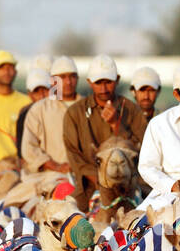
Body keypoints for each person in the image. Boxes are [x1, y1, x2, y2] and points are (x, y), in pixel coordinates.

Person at [63, 54, 147, 199]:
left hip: (129, 184)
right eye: (98, 82)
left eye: (108, 82)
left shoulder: (132, 110)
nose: (103, 88)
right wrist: (102, 182)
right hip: (90, 185)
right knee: (72, 215)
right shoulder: (75, 113)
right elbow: (74, 156)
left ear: (117, 80)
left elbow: (144, 150)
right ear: (89, 82)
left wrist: (116, 124)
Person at [137, 63, 180, 209]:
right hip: (167, 197)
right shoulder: (159, 124)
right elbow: (147, 167)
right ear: (177, 95)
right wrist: (172, 185)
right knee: (133, 227)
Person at [21, 55, 82, 175]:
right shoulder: (39, 109)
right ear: (53, 80)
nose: (68, 82)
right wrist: (56, 167)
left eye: (72, 76)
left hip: (86, 176)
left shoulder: (88, 107)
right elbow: (29, 148)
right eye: (62, 77)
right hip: (49, 176)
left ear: (78, 78)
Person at [17, 67, 52, 151]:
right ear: (30, 94)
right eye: (37, 91)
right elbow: (23, 152)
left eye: (45, 90)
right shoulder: (24, 114)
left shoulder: (61, 112)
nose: (42, 96)